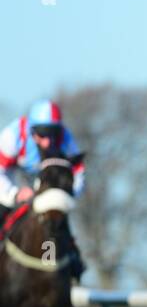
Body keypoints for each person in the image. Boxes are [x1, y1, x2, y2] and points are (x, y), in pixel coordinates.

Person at [0, 99, 87, 279]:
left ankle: (69, 263)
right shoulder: (13, 136)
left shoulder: (65, 139)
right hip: (11, 185)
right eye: (43, 134)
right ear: (32, 131)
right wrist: (15, 193)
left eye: (53, 134)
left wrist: (65, 197)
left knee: (57, 223)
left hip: (47, 188)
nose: (48, 142)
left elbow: (79, 174)